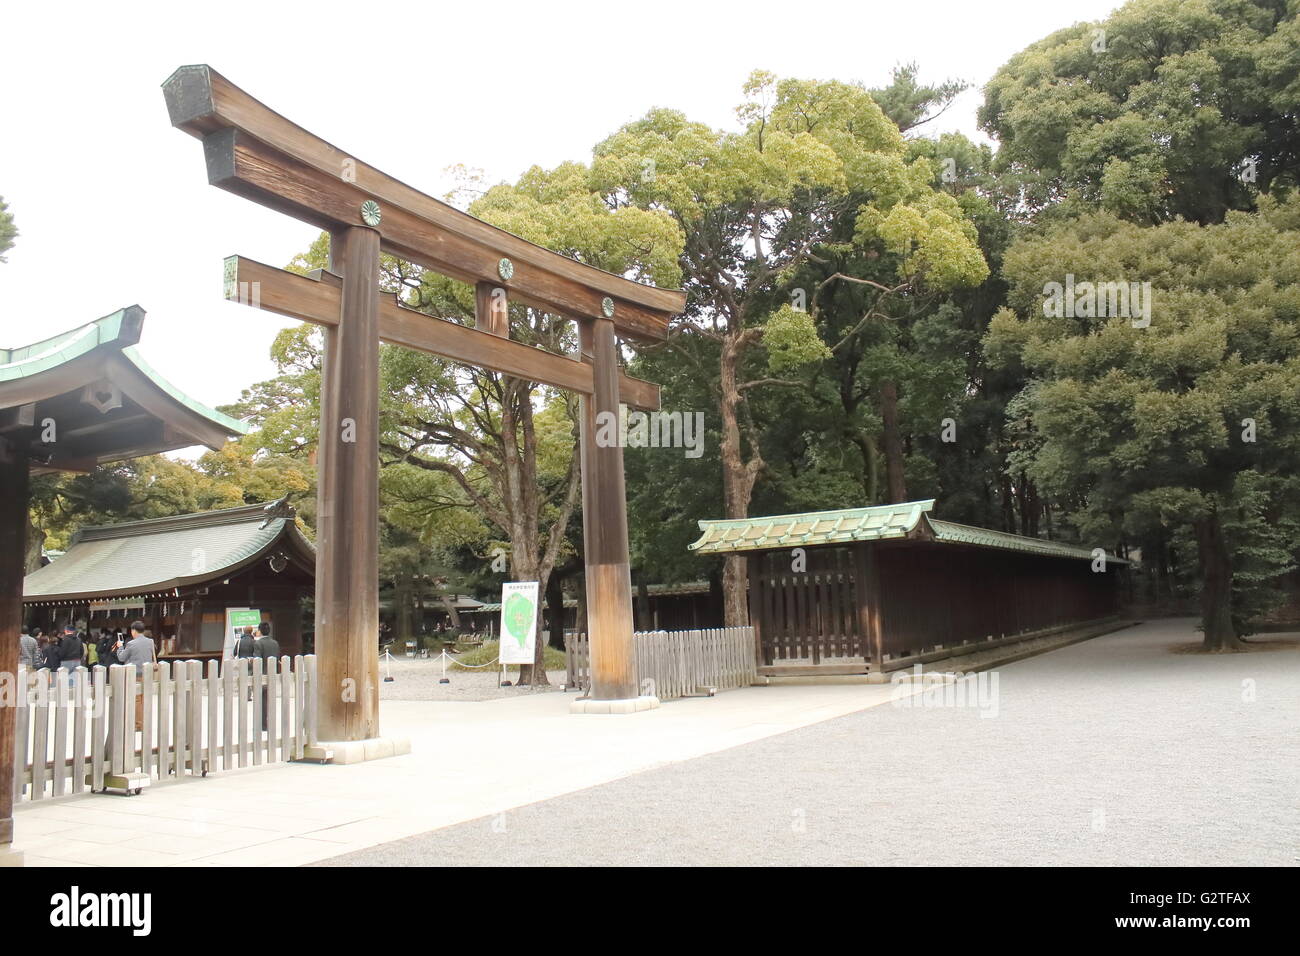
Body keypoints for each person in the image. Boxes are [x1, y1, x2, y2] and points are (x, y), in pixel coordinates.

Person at [254, 621, 281, 730]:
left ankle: (263, 724)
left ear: (260, 631)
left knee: (262, 701)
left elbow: (257, 660)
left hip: (262, 674)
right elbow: (277, 657)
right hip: (272, 673)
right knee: (270, 699)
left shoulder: (258, 644)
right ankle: (271, 722)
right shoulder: (275, 643)